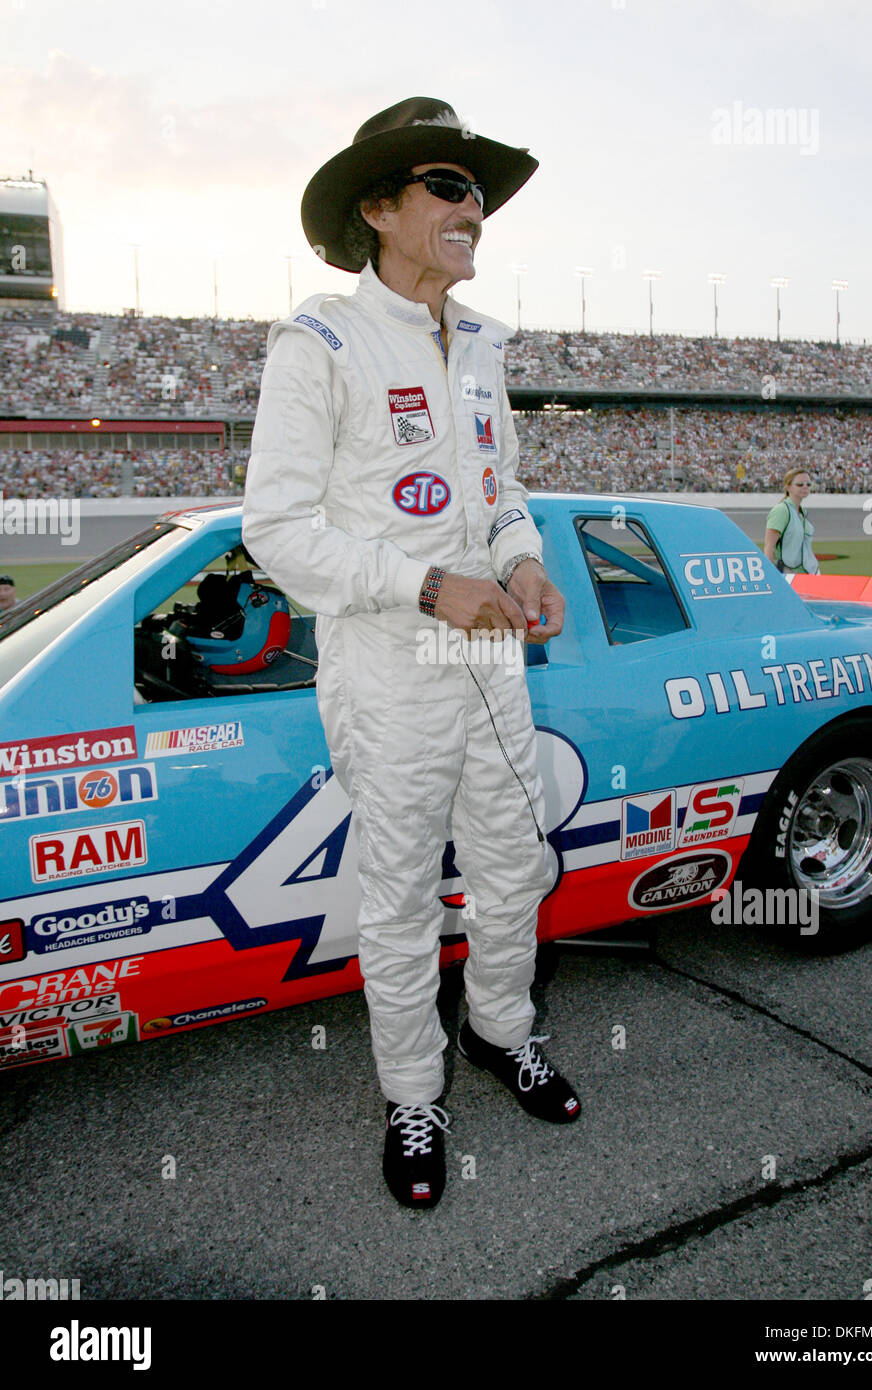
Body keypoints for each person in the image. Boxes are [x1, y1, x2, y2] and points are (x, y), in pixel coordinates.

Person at [242, 97, 581, 1212]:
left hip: (490, 663)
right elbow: (277, 531)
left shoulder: (484, 343)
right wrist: (429, 585)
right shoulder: (319, 342)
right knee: (396, 896)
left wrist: (524, 562)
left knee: (511, 867)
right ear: (378, 209)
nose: (469, 206)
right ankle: (411, 1093)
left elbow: (506, 496)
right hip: (390, 668)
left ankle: (501, 1031)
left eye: (475, 189)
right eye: (445, 184)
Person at [763, 468, 819, 574]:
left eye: (808, 484)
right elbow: (769, 547)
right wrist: (772, 577)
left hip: (808, 572)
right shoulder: (781, 510)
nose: (805, 487)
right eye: (800, 484)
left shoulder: (802, 512)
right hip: (788, 573)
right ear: (788, 487)